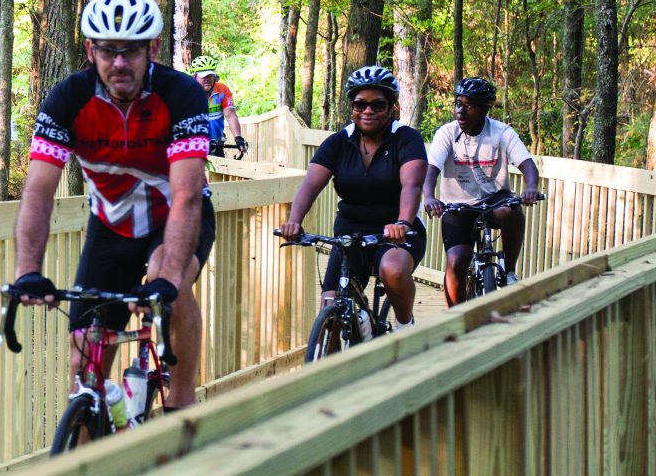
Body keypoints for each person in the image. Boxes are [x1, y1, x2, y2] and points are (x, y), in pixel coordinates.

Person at [7, 0, 214, 407]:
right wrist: (29, 270)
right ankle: (88, 440)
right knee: (84, 369)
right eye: (108, 51)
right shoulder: (69, 98)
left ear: (152, 48)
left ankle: (181, 397)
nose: (119, 63)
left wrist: (168, 280)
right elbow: (38, 192)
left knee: (170, 277)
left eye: (132, 51)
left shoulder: (180, 95)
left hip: (173, 217)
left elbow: (187, 194)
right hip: (111, 224)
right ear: (90, 50)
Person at [276, 65, 428, 325]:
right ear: (352, 107)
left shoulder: (406, 139)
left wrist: (403, 222)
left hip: (395, 231)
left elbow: (411, 186)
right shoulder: (338, 143)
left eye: (377, 105)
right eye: (360, 104)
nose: (368, 111)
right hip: (349, 233)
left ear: (391, 107)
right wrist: (294, 220)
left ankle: (405, 325)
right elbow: (310, 186)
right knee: (330, 308)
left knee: (392, 270)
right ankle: (337, 352)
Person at [424, 76, 542, 304]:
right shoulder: (446, 133)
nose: (461, 111)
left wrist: (530, 187)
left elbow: (527, 164)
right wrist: (429, 196)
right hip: (458, 205)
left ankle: (508, 272)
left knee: (511, 211)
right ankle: (456, 319)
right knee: (457, 260)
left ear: (484, 109)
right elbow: (432, 168)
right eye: (458, 104)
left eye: (469, 106)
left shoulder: (501, 132)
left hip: (495, 200)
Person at [186, 55, 244, 153]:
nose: (207, 79)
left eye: (210, 75)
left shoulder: (222, 90)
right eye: (203, 76)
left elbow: (230, 115)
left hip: (216, 143)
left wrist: (238, 138)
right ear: (194, 76)